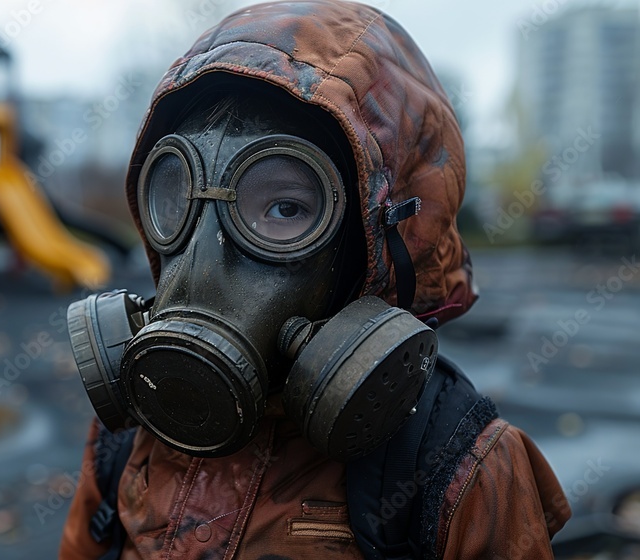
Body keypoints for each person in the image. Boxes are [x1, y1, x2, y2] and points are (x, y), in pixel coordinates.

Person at [59, 1, 571, 558]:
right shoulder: (134, 425)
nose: (205, 258)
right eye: (181, 198)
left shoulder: (458, 466)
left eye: (283, 208)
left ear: (373, 242)